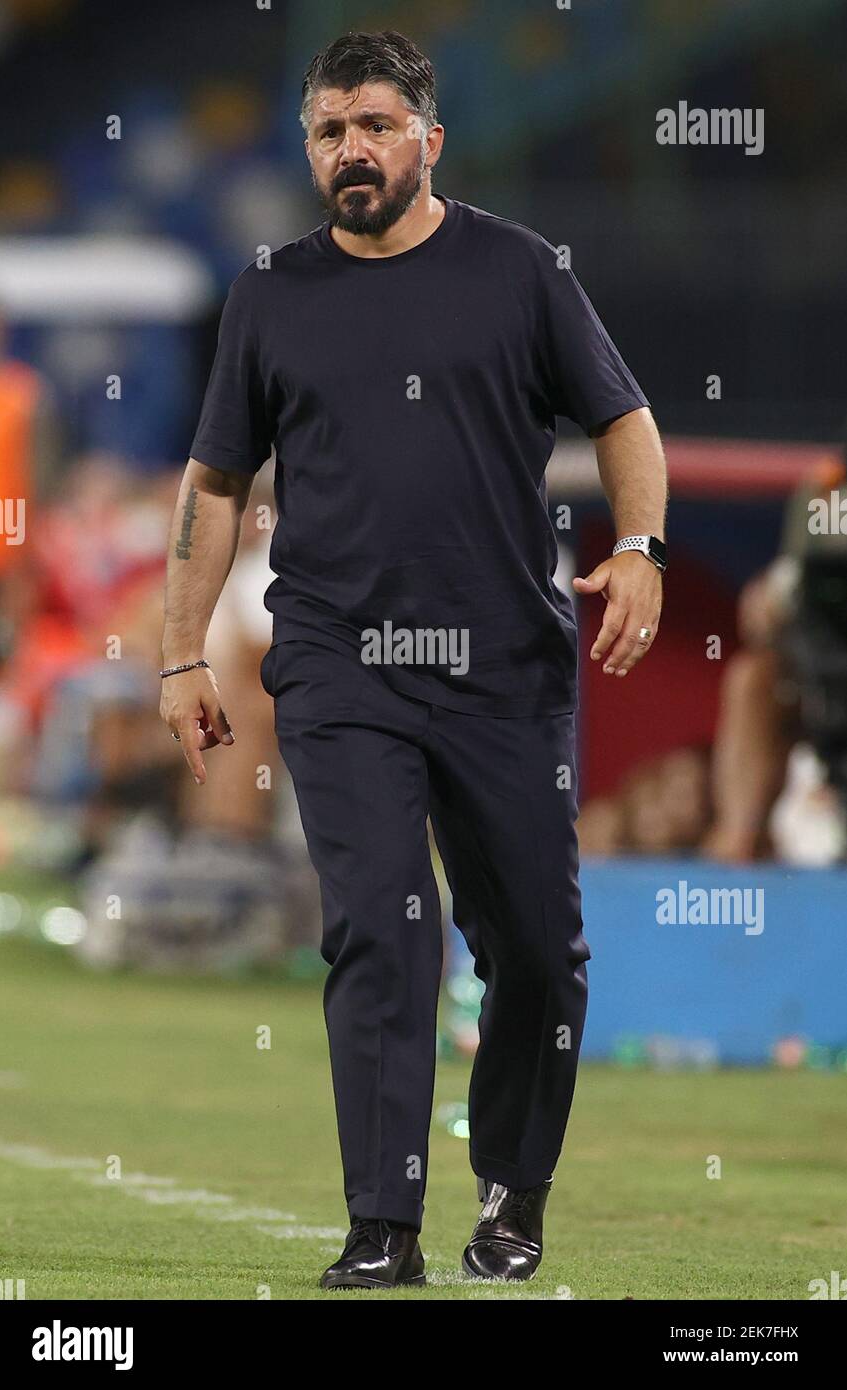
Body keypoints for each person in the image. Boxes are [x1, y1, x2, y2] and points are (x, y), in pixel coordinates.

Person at [159, 30, 667, 1289]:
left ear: (429, 139)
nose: (352, 150)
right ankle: (382, 1227)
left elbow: (624, 420)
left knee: (540, 952)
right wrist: (179, 655)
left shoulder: (519, 270)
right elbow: (214, 483)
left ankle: (512, 1190)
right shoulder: (268, 292)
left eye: (376, 125)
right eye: (330, 129)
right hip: (340, 663)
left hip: (502, 662)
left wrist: (643, 546)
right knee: (386, 927)